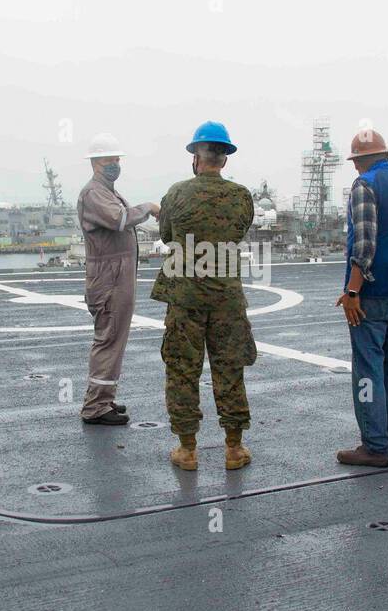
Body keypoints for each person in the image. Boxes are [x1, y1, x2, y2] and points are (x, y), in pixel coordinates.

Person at [151, 121, 256, 471]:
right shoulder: (241, 196)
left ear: (196, 156)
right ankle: (234, 448)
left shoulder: (177, 193)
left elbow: (166, 235)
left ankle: (187, 449)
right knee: (229, 370)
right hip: (227, 298)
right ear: (224, 159)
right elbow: (238, 233)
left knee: (183, 371)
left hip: (185, 298)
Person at [334, 130, 388, 468]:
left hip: (372, 294)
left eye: (355, 160)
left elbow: (364, 245)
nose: (355, 166)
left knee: (367, 370)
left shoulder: (364, 186)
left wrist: (353, 290)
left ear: (360, 159)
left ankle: (375, 445)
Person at [76, 133, 158, 426]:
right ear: (96, 162)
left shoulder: (108, 190)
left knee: (115, 339)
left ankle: (104, 399)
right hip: (108, 281)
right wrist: (148, 207)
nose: (116, 164)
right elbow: (119, 220)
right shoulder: (94, 193)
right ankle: (95, 407)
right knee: (109, 338)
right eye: (111, 159)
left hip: (116, 278)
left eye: (117, 159)